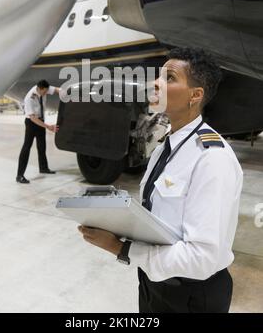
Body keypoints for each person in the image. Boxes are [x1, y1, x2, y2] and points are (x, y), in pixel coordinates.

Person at [78, 47, 243, 313]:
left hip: (191, 295)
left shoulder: (211, 159)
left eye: (170, 78)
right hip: (155, 280)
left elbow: (202, 257)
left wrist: (122, 248)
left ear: (195, 95)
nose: (155, 82)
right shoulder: (167, 145)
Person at [16, 80, 60, 184]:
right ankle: (19, 175)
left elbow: (57, 90)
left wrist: (64, 92)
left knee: (42, 146)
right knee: (27, 147)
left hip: (41, 121)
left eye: (46, 92)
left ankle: (43, 168)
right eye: (44, 92)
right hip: (31, 123)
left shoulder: (44, 88)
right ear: (39, 89)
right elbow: (33, 118)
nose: (45, 94)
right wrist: (48, 127)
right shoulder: (29, 98)